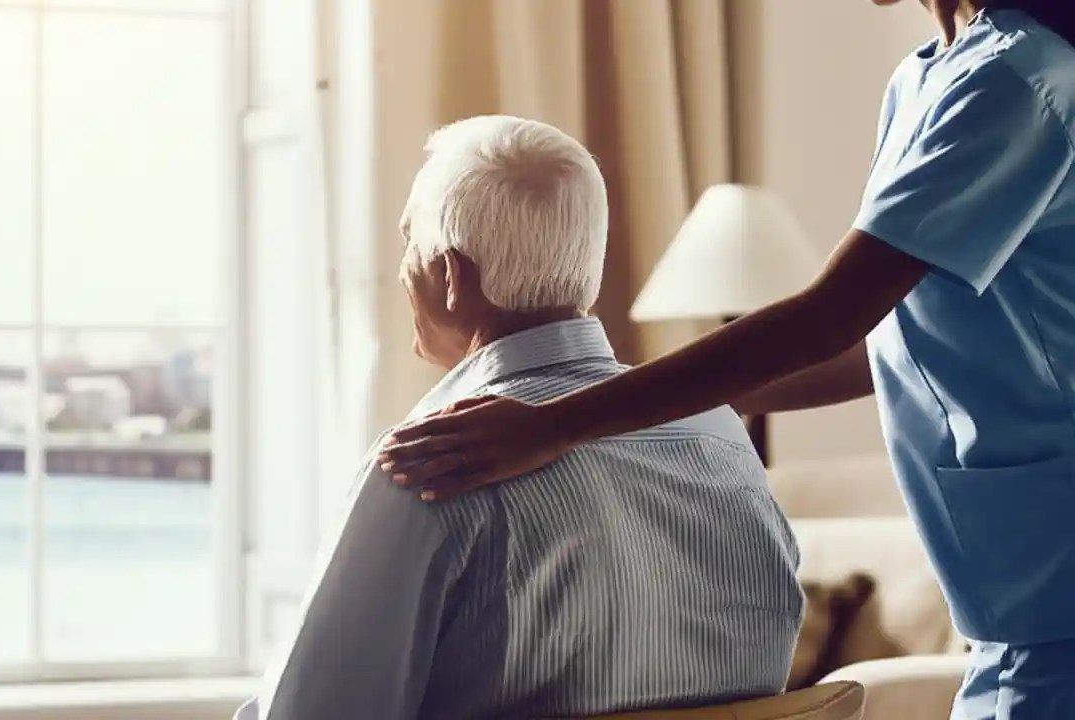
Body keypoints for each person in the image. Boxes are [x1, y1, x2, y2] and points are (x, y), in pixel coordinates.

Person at [379, 2, 1075, 718]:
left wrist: (558, 422)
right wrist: (681, 414)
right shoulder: (922, 81)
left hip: (1053, 595)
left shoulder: (1017, 83)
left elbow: (832, 315)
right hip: (1011, 608)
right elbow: (901, 344)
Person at [235, 116, 803, 720]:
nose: (402, 268)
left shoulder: (433, 462)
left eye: (409, 242)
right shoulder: (720, 434)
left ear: (449, 276)